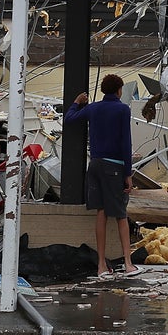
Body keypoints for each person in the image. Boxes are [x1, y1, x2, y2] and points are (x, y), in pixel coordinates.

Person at [65, 73, 140, 279]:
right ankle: (128, 263)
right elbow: (126, 143)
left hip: (95, 165)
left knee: (101, 212)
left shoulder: (93, 108)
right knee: (121, 214)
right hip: (114, 167)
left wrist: (76, 103)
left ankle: (101, 266)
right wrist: (128, 173)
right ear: (118, 90)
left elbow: (69, 119)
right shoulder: (122, 109)